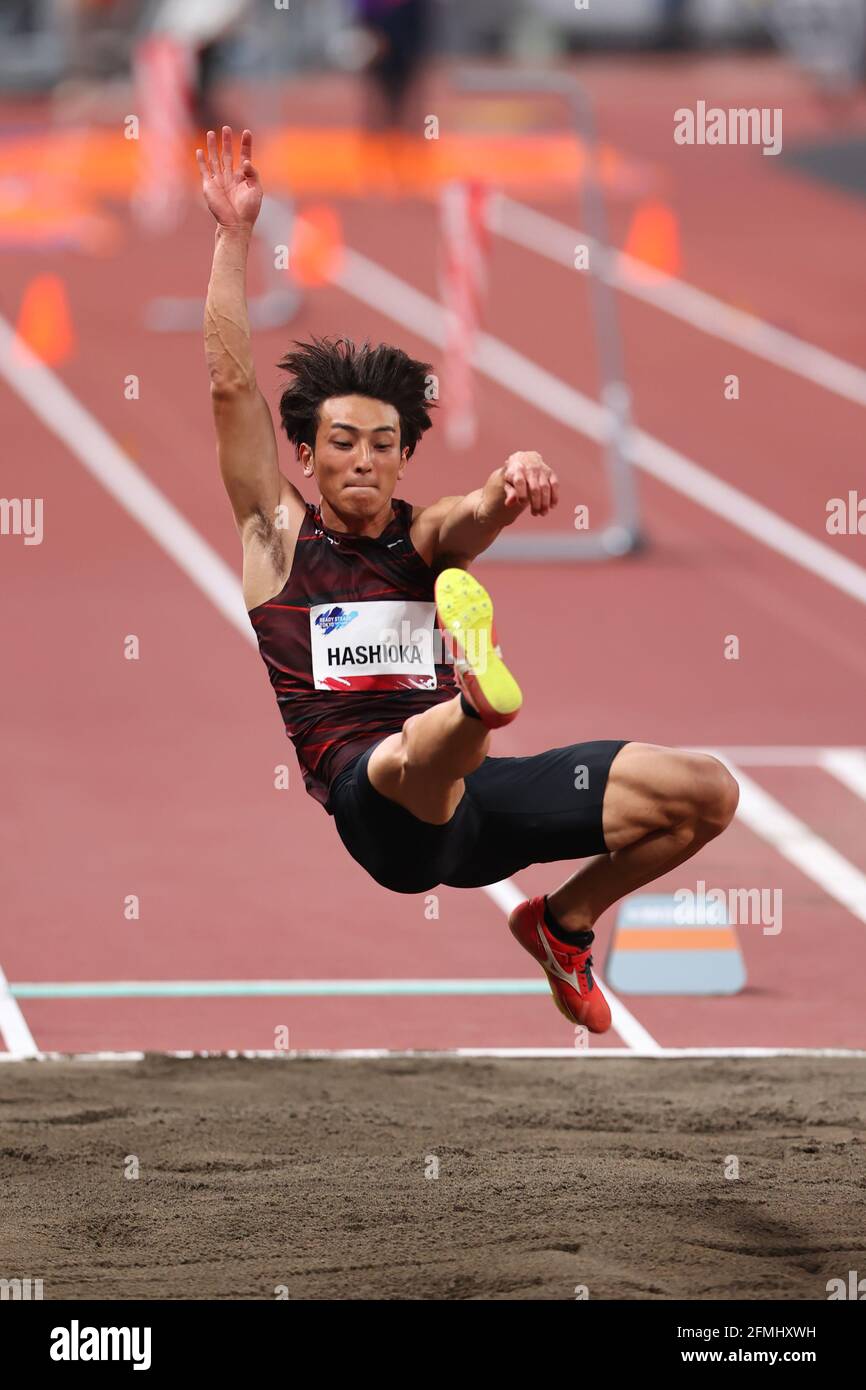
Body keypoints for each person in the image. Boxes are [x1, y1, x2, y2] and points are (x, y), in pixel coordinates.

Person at [197, 127, 739, 1036]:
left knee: (705, 795)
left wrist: (512, 478)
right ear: (306, 454)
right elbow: (226, 388)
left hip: (477, 804)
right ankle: (477, 706)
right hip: (378, 807)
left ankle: (561, 925)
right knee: (415, 751)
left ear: (405, 456)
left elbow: (472, 511)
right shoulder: (274, 533)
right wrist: (234, 235)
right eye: (341, 444)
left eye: (382, 446)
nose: (362, 462)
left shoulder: (428, 535)